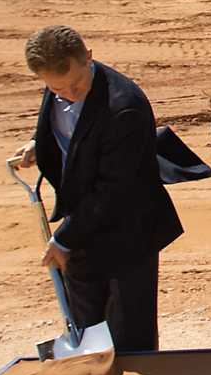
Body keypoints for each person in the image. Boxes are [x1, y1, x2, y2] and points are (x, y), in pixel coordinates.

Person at [13, 25, 184, 352]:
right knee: (89, 329)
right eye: (57, 90)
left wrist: (63, 239)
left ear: (88, 57)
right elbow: (70, 129)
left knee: (130, 337)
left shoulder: (124, 107)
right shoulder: (60, 82)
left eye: (76, 86)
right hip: (84, 227)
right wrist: (41, 144)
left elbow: (114, 190)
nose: (69, 95)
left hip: (129, 233)